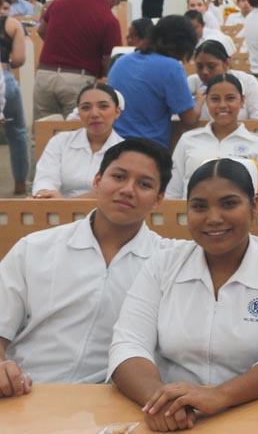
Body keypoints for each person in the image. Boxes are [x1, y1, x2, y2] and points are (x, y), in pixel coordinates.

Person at [109, 158, 258, 432]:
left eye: (229, 203)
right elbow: (128, 343)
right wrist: (160, 400)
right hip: (172, 419)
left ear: (254, 206)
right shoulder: (162, 265)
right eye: (199, 207)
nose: (213, 218)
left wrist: (218, 396)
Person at [0, 139, 175, 393]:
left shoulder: (167, 261)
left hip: (115, 399)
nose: (128, 190)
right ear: (97, 181)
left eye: (144, 184)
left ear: (159, 199)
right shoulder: (36, 248)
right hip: (28, 389)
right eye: (118, 176)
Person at [34, 0, 126, 120]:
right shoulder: (109, 19)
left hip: (45, 75)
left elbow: (41, 30)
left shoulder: (61, 0)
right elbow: (109, 61)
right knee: (76, 135)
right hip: (77, 80)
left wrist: (60, 47)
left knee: (44, 133)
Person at [166, 75, 258, 200]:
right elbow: (172, 192)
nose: (222, 105)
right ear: (206, 101)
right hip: (192, 216)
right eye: (215, 99)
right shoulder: (187, 140)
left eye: (230, 98)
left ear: (242, 100)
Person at [108, 15, 199, 148]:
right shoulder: (171, 67)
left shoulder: (121, 61)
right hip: (150, 148)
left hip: (114, 145)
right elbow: (189, 119)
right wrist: (200, 101)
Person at [32, 83, 125, 198]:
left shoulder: (126, 151)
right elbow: (45, 180)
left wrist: (65, 204)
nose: (94, 114)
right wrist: (45, 194)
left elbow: (114, 194)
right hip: (58, 213)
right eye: (86, 108)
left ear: (117, 112)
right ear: (79, 113)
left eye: (103, 106)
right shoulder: (60, 142)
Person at [189, 41, 258, 121]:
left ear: (227, 64)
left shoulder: (247, 81)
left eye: (212, 66)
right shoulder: (191, 83)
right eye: (200, 67)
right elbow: (178, 119)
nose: (205, 72)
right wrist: (197, 104)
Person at [0, 5, 28, 193]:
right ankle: (20, 184)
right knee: (17, 132)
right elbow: (18, 59)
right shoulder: (11, 24)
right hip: (3, 77)